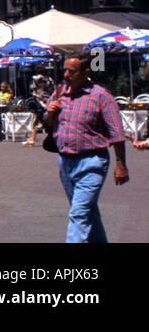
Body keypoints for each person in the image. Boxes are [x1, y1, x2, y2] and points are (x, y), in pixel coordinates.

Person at [42, 52, 128, 243]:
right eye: (64, 70)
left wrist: (121, 164)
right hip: (65, 162)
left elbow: (117, 134)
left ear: (85, 72)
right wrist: (49, 113)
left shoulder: (101, 97)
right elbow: (47, 124)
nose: (65, 75)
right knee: (86, 211)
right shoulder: (59, 92)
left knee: (78, 213)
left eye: (71, 71)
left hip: (92, 163)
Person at [22, 74, 55, 148]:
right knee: (37, 121)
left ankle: (32, 139)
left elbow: (34, 90)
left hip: (44, 103)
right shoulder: (48, 80)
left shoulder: (44, 81)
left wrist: (39, 96)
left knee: (40, 121)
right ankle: (32, 138)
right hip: (43, 103)